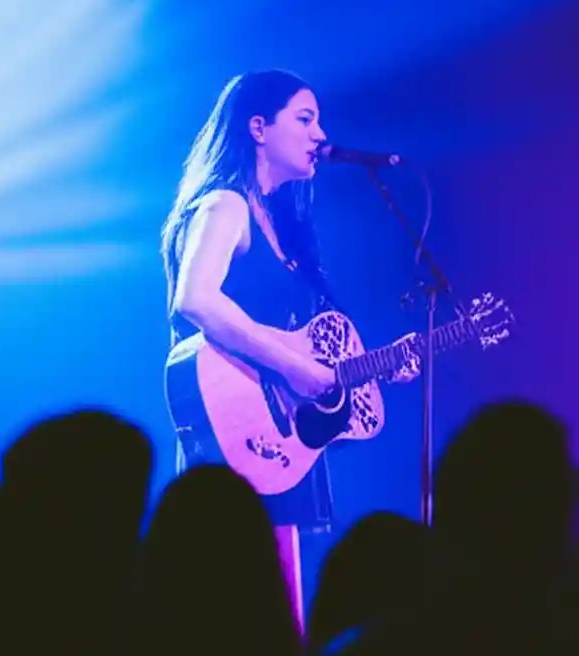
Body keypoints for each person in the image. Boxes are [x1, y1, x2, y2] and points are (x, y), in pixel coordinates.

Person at [159, 69, 414, 630]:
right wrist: (296, 368)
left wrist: (378, 365)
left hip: (278, 440)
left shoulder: (281, 222)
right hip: (236, 429)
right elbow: (196, 299)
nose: (320, 134)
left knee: (279, 612)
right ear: (258, 127)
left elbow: (296, 342)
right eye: (304, 118)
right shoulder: (225, 205)